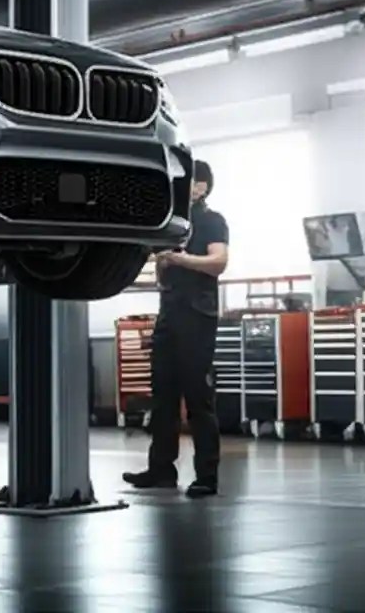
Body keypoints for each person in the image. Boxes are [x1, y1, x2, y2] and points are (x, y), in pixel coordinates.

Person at [123, 159, 228, 498]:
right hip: (169, 314)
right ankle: (161, 471)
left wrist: (181, 259)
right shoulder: (171, 223)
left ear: (202, 187)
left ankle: (206, 477)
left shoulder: (211, 221)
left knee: (198, 397)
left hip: (198, 315)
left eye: (190, 182)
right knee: (163, 396)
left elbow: (218, 262)